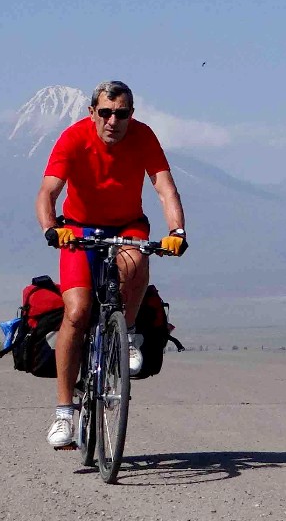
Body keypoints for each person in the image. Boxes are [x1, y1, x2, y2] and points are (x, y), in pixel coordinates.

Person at [35, 81, 189, 449]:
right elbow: (48, 191)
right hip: (77, 229)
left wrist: (177, 230)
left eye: (122, 114)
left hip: (127, 225)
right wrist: (51, 228)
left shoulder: (144, 136)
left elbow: (165, 187)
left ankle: (128, 333)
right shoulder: (73, 138)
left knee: (136, 262)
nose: (113, 121)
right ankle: (64, 414)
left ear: (131, 115)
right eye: (105, 112)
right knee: (77, 311)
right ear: (93, 112)